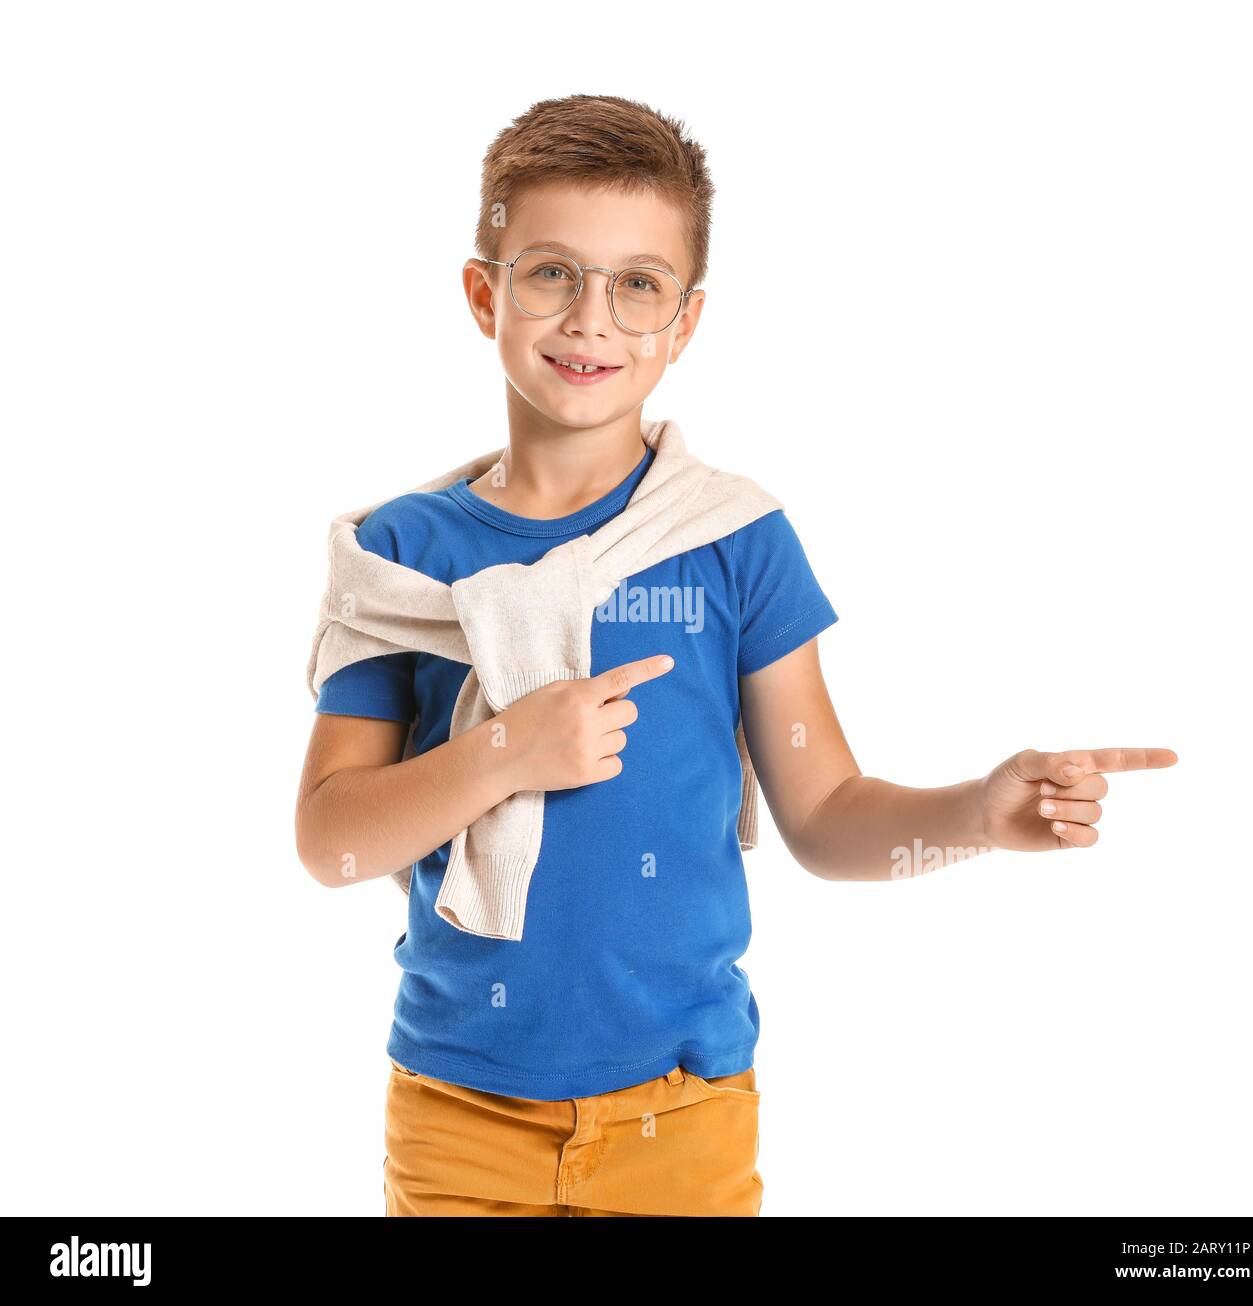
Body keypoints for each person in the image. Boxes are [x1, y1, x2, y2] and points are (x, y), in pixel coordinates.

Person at [293, 93, 1177, 1217]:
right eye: (550, 272)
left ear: (685, 322)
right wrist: (506, 750)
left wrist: (972, 817)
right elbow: (329, 842)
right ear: (485, 292)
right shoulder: (401, 556)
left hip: (685, 1111)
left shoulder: (734, 541)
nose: (591, 320)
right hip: (458, 1112)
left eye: (638, 284)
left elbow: (824, 813)